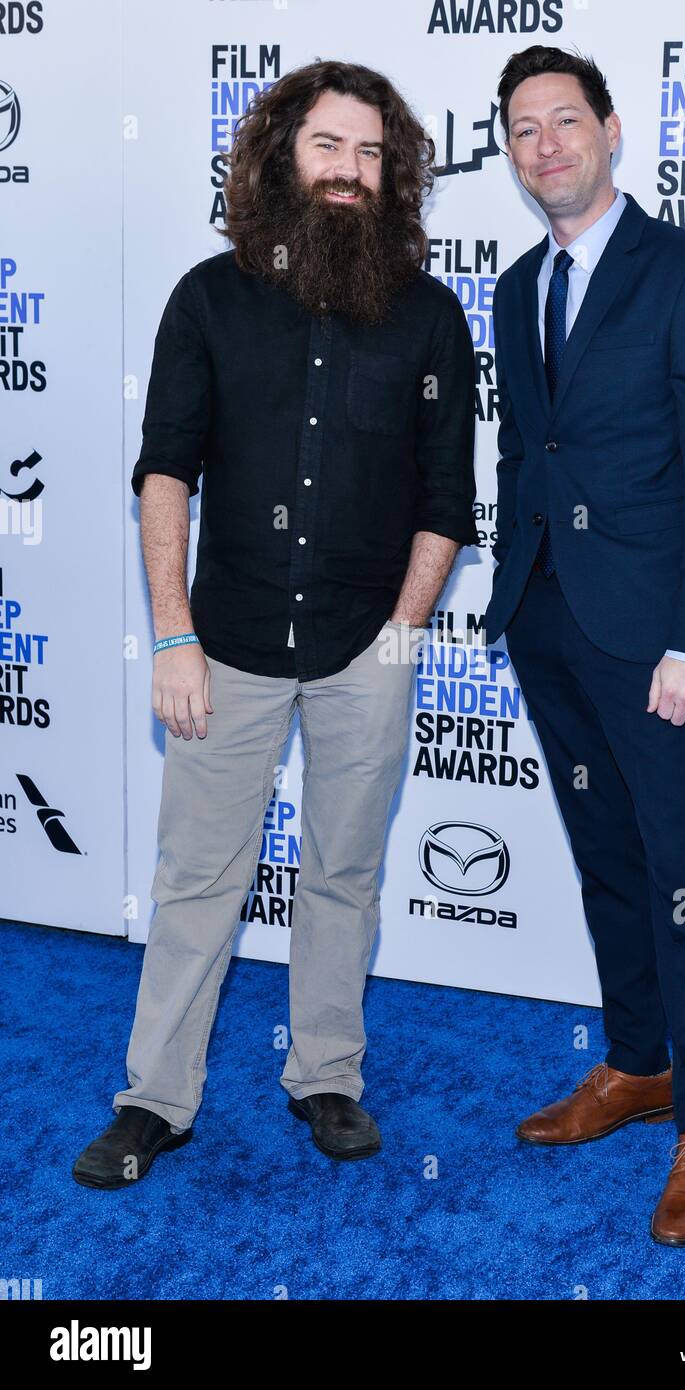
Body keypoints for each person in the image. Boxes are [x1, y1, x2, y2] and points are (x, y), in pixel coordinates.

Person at [72, 60, 478, 1187]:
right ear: (279, 156)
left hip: (367, 644)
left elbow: (447, 501)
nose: (349, 172)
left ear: (391, 174)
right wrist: (171, 637)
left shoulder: (431, 317)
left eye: (370, 153)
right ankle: (155, 1099)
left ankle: (327, 1075)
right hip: (228, 643)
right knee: (198, 879)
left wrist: (402, 633)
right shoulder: (206, 299)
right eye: (328, 146)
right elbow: (166, 475)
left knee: (343, 871)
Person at [484, 45, 685, 1245]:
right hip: (545, 618)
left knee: (681, 871)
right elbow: (526, 457)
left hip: (652, 636)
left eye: (563, 122)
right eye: (521, 130)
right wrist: (509, 593)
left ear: (608, 130)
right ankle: (637, 1062)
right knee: (604, 855)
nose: (545, 145)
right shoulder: (509, 288)